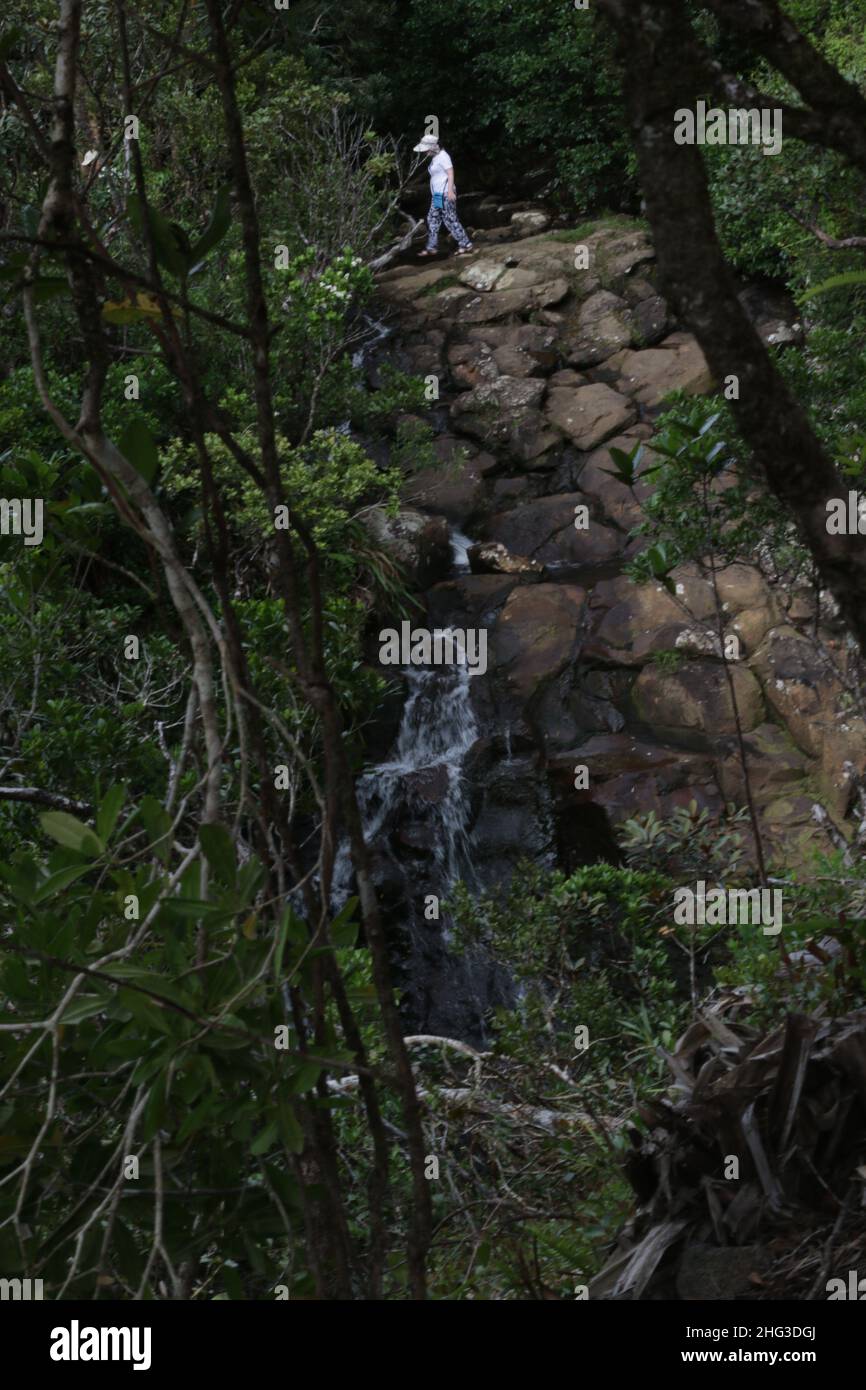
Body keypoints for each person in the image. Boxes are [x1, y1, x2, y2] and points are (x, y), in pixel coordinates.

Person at [413, 133, 473, 258]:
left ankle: (466, 244)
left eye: (426, 150)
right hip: (438, 195)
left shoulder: (443, 156)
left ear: (433, 147)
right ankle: (431, 247)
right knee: (433, 218)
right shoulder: (436, 158)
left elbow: (450, 173)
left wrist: (450, 191)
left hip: (445, 192)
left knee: (450, 219)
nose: (425, 153)